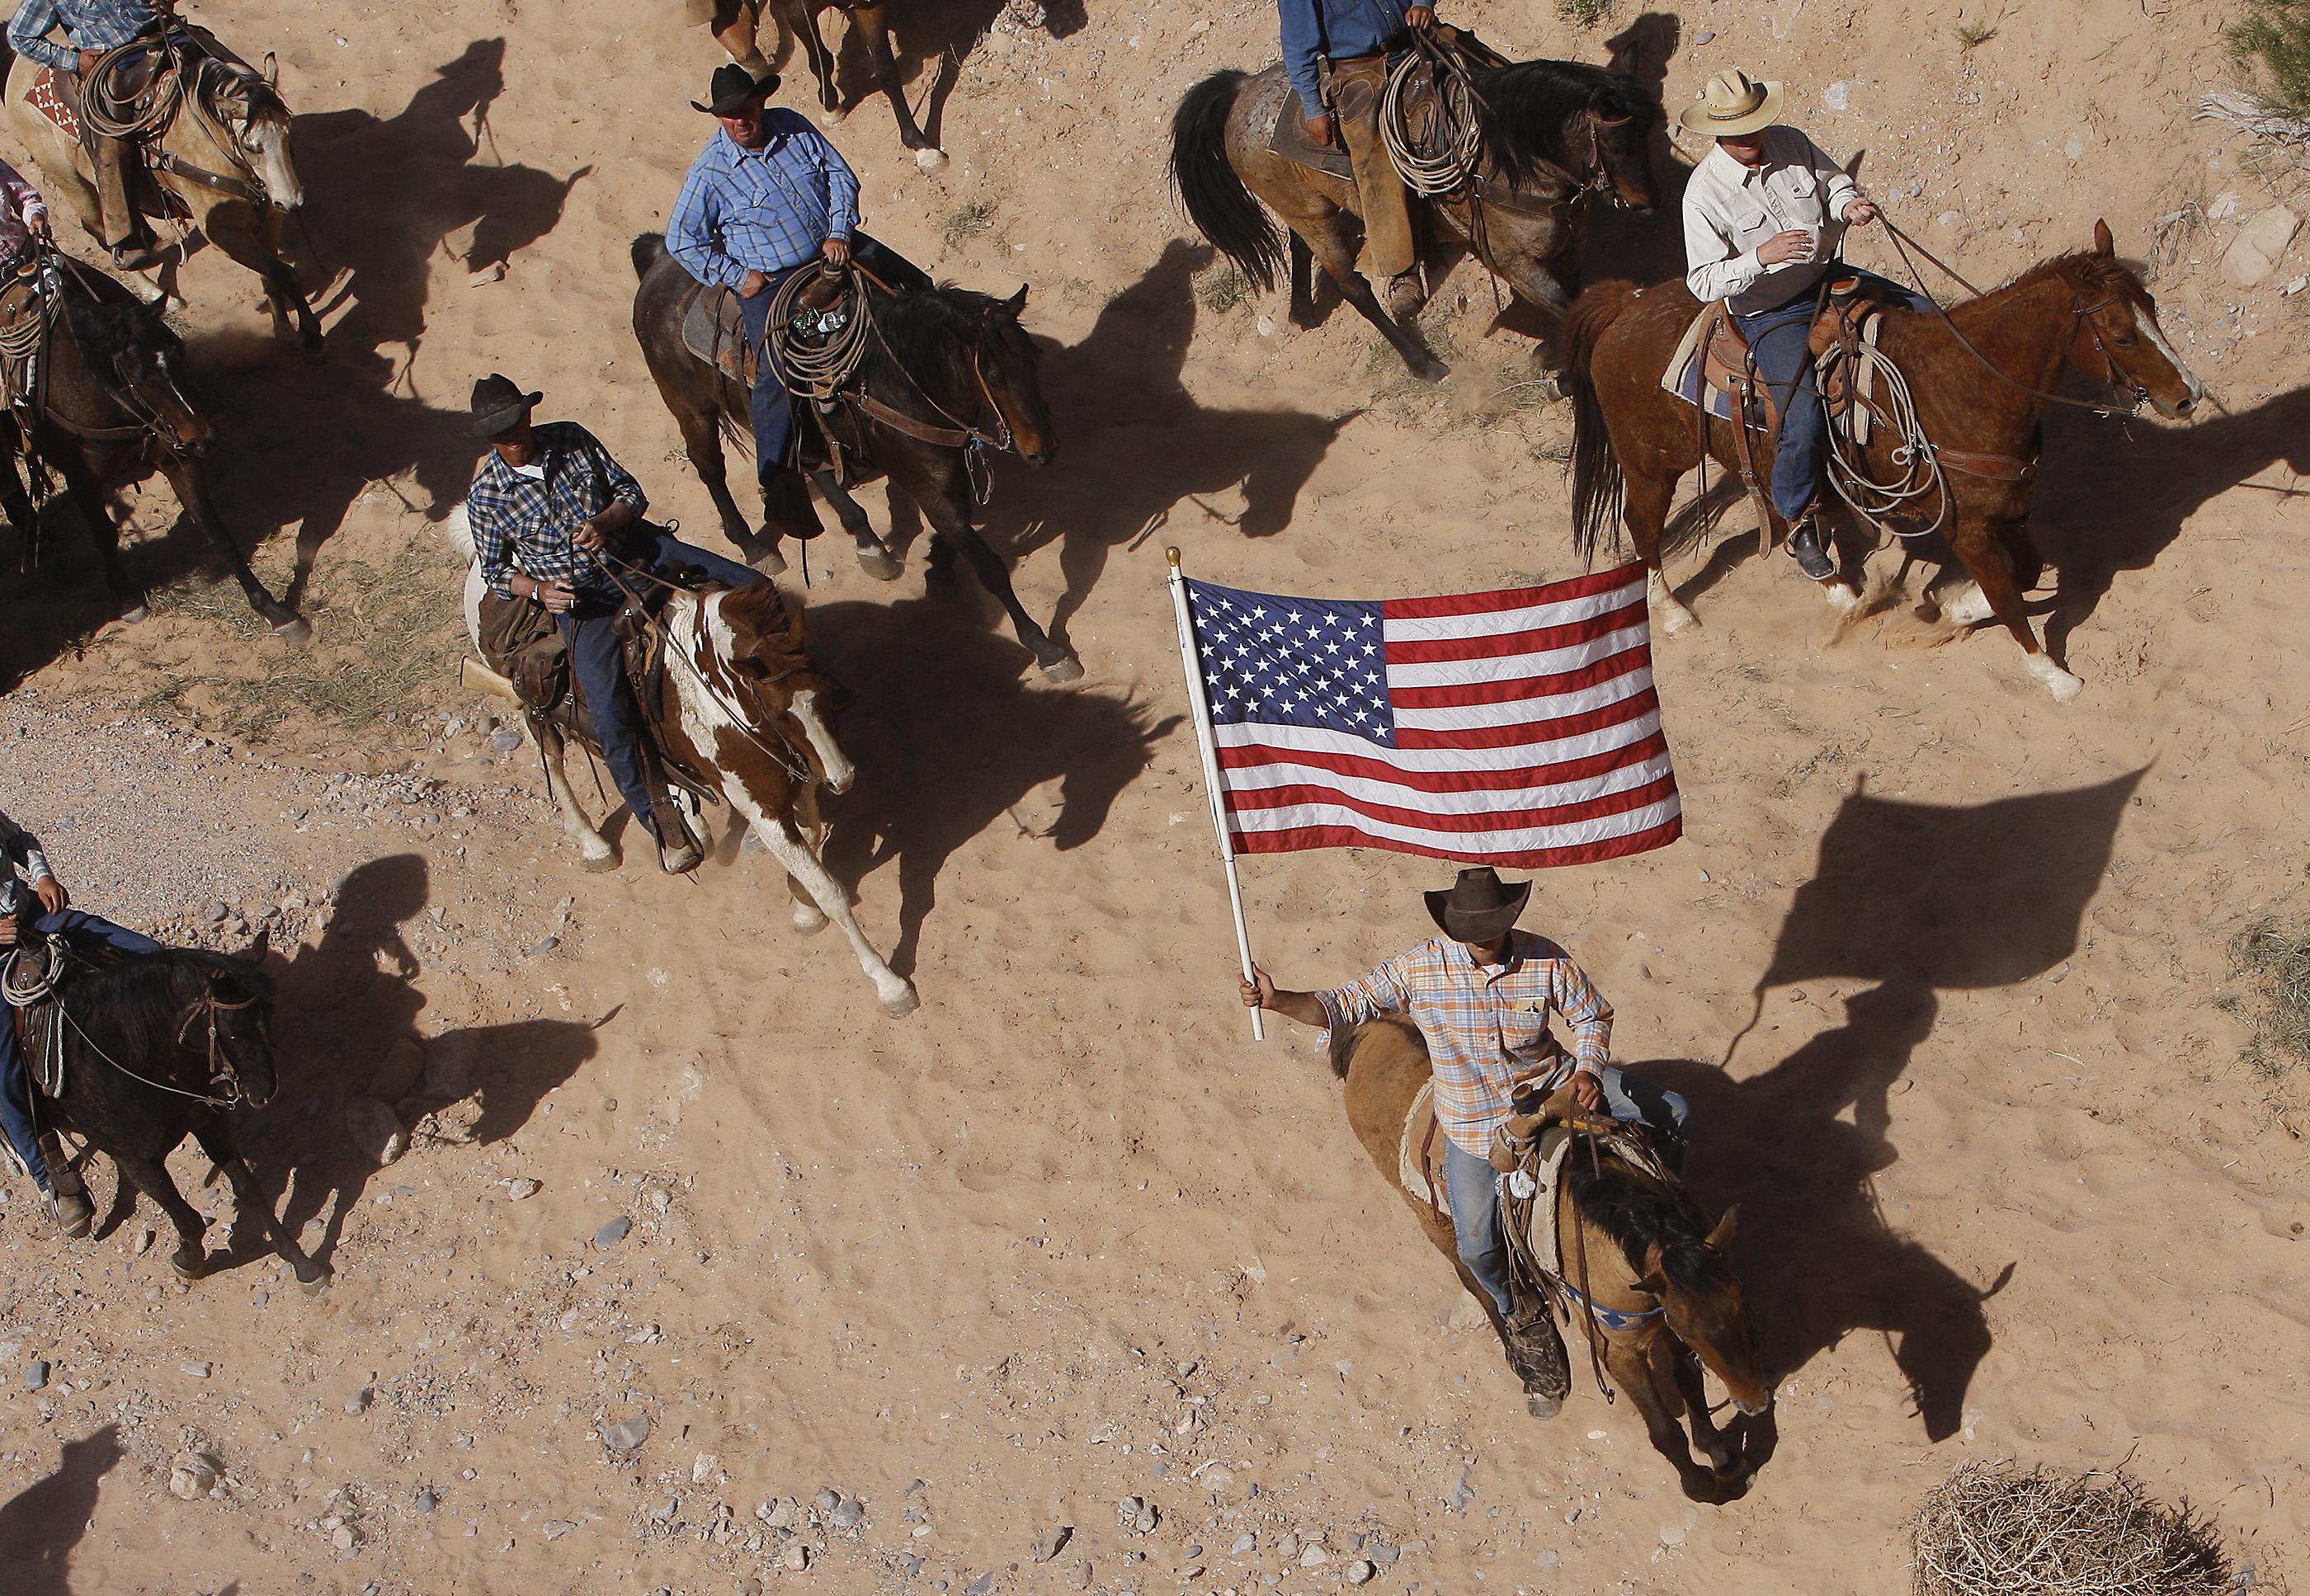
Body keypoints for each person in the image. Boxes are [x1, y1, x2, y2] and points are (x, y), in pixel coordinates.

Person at [1239, 866, 1688, 1399]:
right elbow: (1343, 1005)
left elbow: (1592, 1016)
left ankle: (1667, 1218)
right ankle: (1521, 1313)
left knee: (1675, 1113)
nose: (1482, 939)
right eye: (1472, 931)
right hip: (1475, 1126)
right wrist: (1277, 1000)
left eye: (1492, 929)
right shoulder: (1420, 968)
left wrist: (1589, 1069)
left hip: (1555, 1085)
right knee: (1476, 1247)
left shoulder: (1545, 958)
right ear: (1452, 927)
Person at [463, 374, 769, 874]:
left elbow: (631, 492)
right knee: (609, 715)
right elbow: (497, 572)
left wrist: (604, 523)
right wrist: (539, 590)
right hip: (586, 604)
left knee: (756, 587)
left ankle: (799, 692)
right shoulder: (487, 496)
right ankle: (660, 822)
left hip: (641, 552)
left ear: (528, 414)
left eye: (515, 423)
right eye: (499, 433)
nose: (512, 437)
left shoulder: (571, 437)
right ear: (488, 439)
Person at [1679, 68, 1930, 582]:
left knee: (1931, 320)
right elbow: (1702, 282)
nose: (1751, 137)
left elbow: (1832, 181)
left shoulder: (1790, 141)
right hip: (1771, 311)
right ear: (1716, 132)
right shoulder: (1702, 196)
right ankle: (1796, 516)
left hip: (1828, 279)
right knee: (1803, 416)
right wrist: (1761, 256)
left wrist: (1848, 204)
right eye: (1737, 131)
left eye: (1754, 125)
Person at [666, 65, 928, 540]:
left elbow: (839, 176)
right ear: (718, 118)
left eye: (746, 110)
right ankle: (778, 482)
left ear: (760, 103)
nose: (740, 121)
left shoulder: (792, 124)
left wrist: (838, 231)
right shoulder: (710, 173)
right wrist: (738, 277)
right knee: (776, 371)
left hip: (835, 248)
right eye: (729, 115)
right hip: (773, 282)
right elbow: (683, 240)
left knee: (920, 289)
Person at [0, 805, 161, 1236]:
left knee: (146, 953)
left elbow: (20, 841)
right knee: (4, 1077)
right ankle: (51, 1180)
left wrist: (42, 877)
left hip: (32, 916)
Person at [1278, 0, 1435, 319]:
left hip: (1417, 43)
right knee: (1373, 154)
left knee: (1490, 77)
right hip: (1360, 70)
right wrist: (1313, 106)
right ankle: (1402, 271)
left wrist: (1422, 3)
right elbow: (1298, 41)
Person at [6, 0, 170, 269]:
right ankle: (126, 232)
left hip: (162, 33)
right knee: (110, 139)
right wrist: (74, 61)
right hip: (113, 60)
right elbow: (19, 35)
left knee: (230, 73)